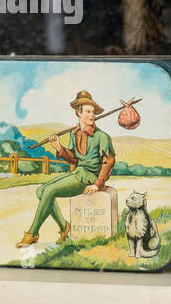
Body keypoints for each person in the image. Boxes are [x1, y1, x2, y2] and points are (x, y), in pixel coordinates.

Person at [16, 89, 116, 248]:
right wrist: (58, 147)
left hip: (90, 178)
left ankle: (32, 234)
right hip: (78, 173)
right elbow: (74, 158)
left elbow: (108, 161)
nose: (92, 115)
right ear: (79, 113)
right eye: (88, 112)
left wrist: (97, 184)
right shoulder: (73, 134)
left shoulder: (101, 136)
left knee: (48, 191)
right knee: (41, 191)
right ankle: (64, 227)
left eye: (93, 112)